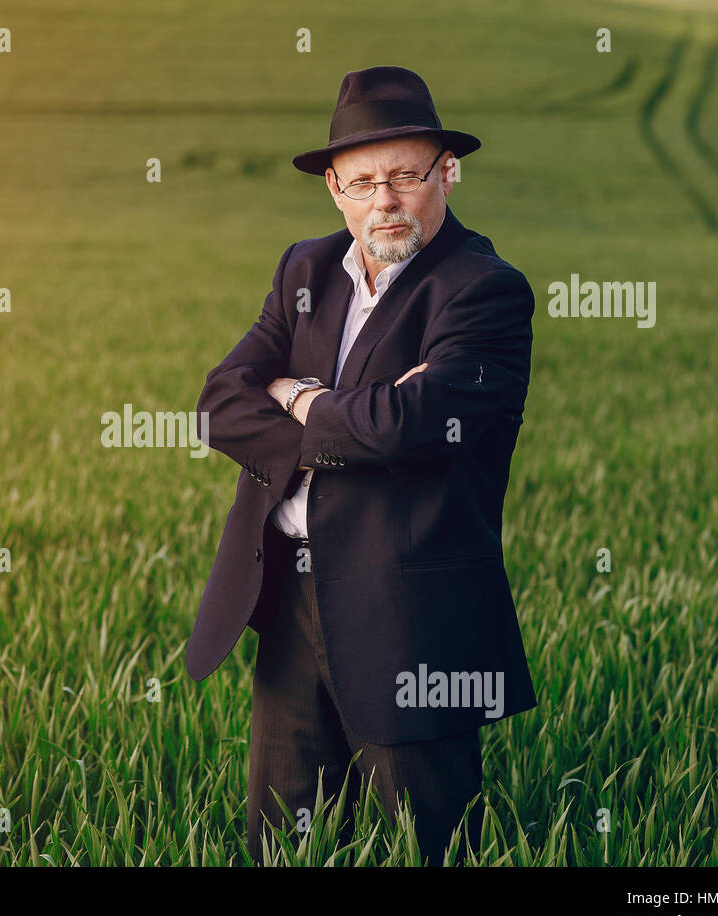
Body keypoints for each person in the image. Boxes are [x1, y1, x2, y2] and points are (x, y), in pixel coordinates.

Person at [186, 66, 539, 865]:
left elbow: (412, 425)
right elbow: (218, 404)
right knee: (285, 840)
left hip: (408, 606)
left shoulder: (483, 290)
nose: (385, 200)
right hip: (287, 595)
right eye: (363, 182)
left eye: (407, 176)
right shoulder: (305, 272)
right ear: (335, 192)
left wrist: (299, 398)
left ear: (446, 174)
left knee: (432, 841)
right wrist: (357, 416)